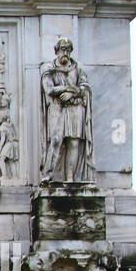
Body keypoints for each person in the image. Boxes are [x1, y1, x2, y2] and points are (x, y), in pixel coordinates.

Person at [40, 37, 95, 182]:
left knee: (74, 142)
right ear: (56, 52)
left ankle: (70, 178)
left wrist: (73, 92)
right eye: (62, 50)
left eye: (67, 50)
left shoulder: (77, 68)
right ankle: (49, 175)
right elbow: (48, 89)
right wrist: (67, 88)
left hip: (75, 108)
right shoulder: (49, 68)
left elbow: (85, 87)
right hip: (57, 108)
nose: (65, 53)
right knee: (56, 140)